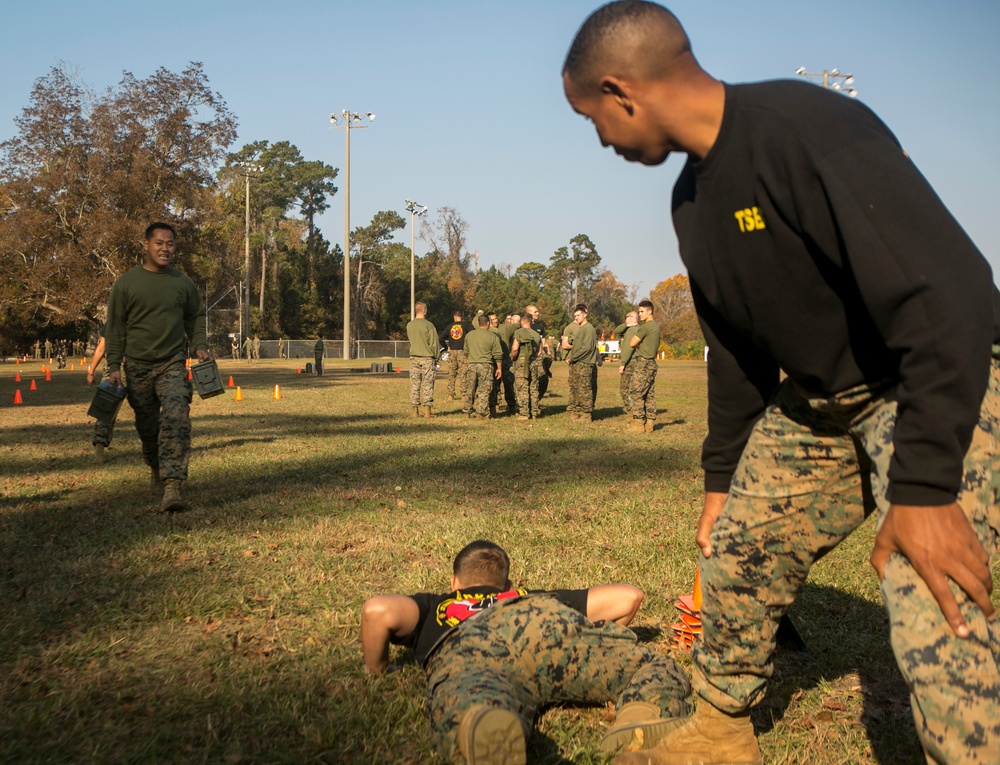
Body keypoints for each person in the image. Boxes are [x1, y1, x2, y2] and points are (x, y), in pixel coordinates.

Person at [563, 3, 1000, 764]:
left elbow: (953, 293)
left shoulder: (807, 129)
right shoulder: (691, 202)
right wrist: (721, 482)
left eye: (592, 117)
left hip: (930, 382)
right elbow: (736, 356)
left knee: (934, 587)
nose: (598, 139)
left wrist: (926, 489)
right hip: (822, 406)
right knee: (734, 551)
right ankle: (720, 727)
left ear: (621, 91)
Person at [360, 540, 692, 764]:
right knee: (648, 667)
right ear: (506, 585)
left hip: (474, 648)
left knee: (471, 697)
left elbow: (378, 610)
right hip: (548, 629)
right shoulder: (528, 595)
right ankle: (641, 717)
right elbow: (628, 598)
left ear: (455, 583)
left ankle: (485, 717)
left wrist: (377, 669)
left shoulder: (438, 605)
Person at [105, 222, 209, 512]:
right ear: (146, 245)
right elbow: (114, 328)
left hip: (172, 363)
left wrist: (199, 344)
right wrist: (114, 365)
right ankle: (154, 464)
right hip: (136, 367)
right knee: (148, 428)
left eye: (171, 244)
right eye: (160, 243)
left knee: (176, 417)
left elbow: (195, 316)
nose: (165, 249)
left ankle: (173, 485)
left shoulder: (182, 283)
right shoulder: (126, 284)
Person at [627, 299, 661, 433]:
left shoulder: (646, 327)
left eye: (641, 312)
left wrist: (638, 344)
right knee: (649, 394)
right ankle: (650, 424)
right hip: (652, 362)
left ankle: (639, 424)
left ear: (649, 311)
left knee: (635, 392)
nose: (639, 314)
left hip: (643, 362)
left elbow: (632, 342)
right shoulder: (656, 327)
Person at [462, 315, 502, 419]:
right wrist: (499, 368)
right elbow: (498, 354)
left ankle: (467, 411)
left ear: (478, 323)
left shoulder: (469, 335)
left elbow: (466, 351)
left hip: (472, 364)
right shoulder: (493, 336)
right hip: (486, 365)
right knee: (484, 390)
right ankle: (481, 412)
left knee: (469, 389)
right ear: (488, 323)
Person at [564, 304, 599, 421]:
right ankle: (577, 411)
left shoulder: (588, 328)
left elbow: (586, 348)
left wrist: (573, 357)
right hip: (577, 363)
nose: (576, 318)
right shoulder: (581, 328)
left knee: (584, 389)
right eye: (575, 316)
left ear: (585, 315)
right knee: (576, 387)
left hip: (584, 363)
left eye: (578, 315)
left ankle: (586, 414)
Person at [406, 302, 439, 418]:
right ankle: (427, 411)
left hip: (414, 358)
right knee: (428, 384)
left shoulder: (409, 325)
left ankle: (415, 411)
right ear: (424, 310)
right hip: (427, 358)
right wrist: (437, 357)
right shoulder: (429, 325)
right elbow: (434, 343)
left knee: (415, 384)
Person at [510, 314, 544, 420]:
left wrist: (513, 357)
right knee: (533, 387)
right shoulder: (536, 335)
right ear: (531, 322)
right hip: (533, 362)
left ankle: (524, 413)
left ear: (522, 322)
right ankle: (534, 412)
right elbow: (540, 351)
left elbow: (515, 348)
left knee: (522, 387)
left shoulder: (518, 332)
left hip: (521, 362)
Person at [441, 312, 475, 401]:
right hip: (462, 351)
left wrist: (446, 347)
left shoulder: (449, 326)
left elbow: (441, 338)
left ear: (454, 317)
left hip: (452, 351)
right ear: (461, 317)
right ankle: (464, 394)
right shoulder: (466, 325)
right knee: (463, 373)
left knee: (452, 373)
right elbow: (474, 334)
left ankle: (450, 395)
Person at [616, 311, 640, 416]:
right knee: (636, 388)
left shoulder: (631, 331)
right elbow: (617, 331)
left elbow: (628, 348)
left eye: (627, 317)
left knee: (625, 389)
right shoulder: (637, 329)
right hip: (638, 362)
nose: (626, 318)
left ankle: (631, 410)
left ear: (632, 318)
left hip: (631, 362)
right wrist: (626, 325)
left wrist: (623, 363)